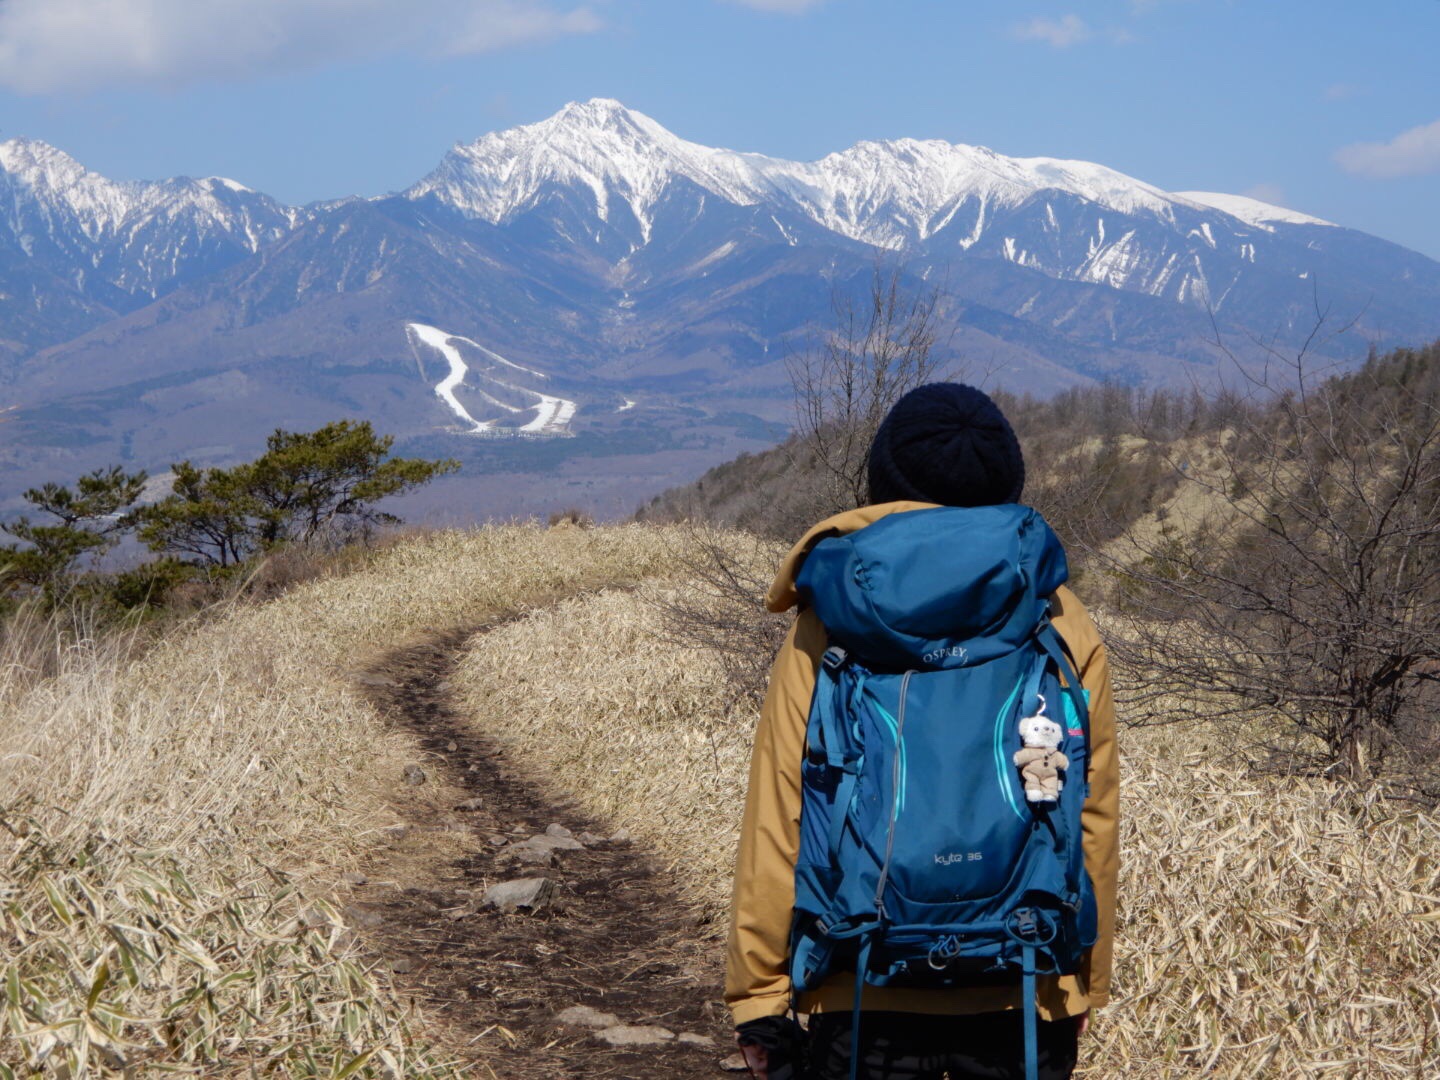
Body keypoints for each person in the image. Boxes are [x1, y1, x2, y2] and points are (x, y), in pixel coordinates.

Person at [725, 383, 1119, 1080]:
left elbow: (781, 809)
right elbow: (1090, 811)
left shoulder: (831, 617)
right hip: (1023, 978)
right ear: (1007, 480)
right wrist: (1082, 978)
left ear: (883, 481)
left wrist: (759, 995)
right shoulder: (1059, 618)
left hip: (861, 975)